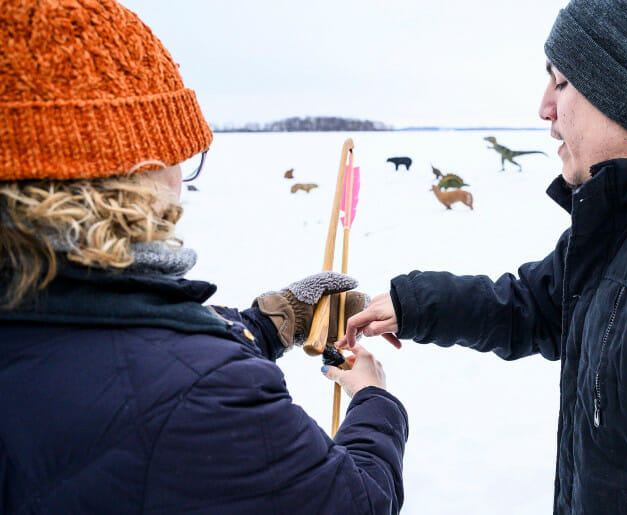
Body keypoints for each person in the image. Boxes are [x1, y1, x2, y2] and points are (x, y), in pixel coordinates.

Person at [339, 0, 627, 512]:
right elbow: (536, 304)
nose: (544, 107)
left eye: (562, 82)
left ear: (625, 94)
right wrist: (414, 304)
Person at [0, 1, 407, 513]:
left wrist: (275, 319)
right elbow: (358, 503)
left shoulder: (31, 303)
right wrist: (375, 401)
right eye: (181, 157)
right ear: (135, 172)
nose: (181, 182)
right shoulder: (208, 394)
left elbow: (118, 338)